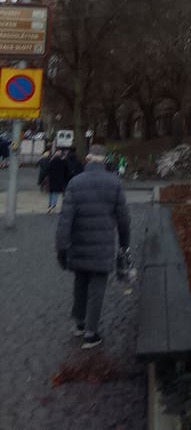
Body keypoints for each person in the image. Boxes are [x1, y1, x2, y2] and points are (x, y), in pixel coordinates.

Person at [56, 144, 130, 349]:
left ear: (88, 159)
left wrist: (62, 248)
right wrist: (125, 245)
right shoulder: (114, 183)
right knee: (97, 286)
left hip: (78, 244)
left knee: (80, 282)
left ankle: (79, 323)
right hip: (103, 245)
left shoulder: (75, 182)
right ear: (105, 160)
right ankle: (91, 332)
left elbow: (65, 220)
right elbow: (124, 220)